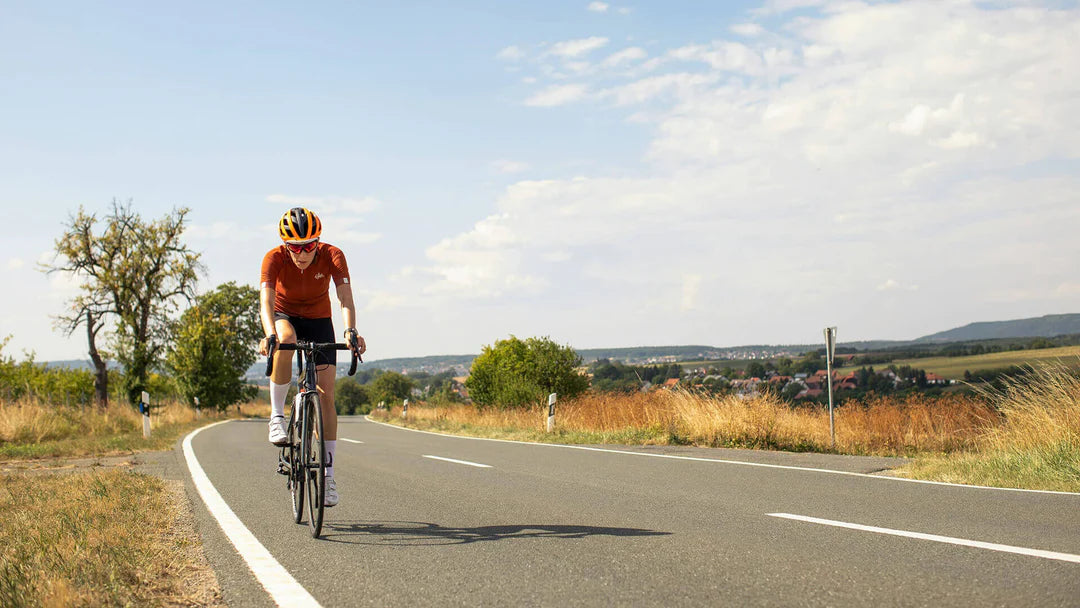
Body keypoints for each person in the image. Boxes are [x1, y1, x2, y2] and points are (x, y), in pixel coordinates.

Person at [257, 207, 366, 508]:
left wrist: (350, 331)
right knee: (286, 340)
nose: (302, 253)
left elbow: (345, 297)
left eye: (309, 245)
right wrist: (269, 334)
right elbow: (266, 300)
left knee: (326, 395)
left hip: (319, 319)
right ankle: (277, 416)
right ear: (285, 244)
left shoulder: (333, 255)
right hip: (284, 314)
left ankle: (328, 477)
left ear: (318, 241)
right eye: (295, 246)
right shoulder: (274, 258)